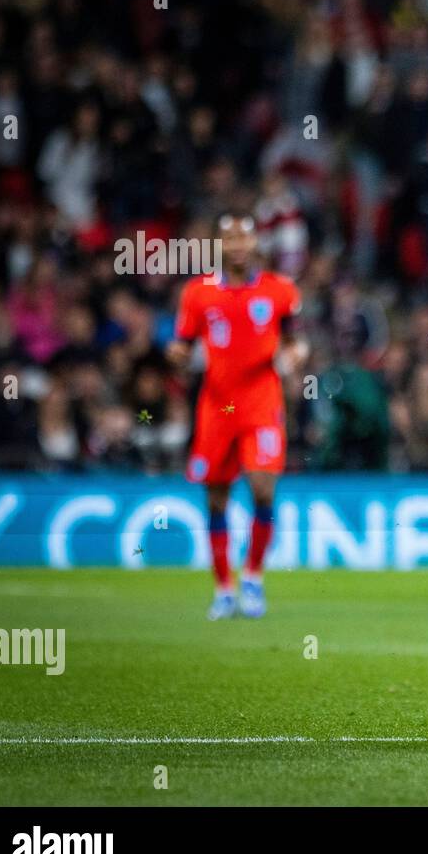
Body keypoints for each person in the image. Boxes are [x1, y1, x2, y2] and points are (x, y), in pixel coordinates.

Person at [168, 214, 307, 620]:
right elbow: (182, 345)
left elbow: (297, 340)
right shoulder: (197, 293)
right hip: (217, 405)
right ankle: (223, 588)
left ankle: (253, 578)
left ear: (256, 243)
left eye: (244, 237)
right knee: (216, 499)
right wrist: (175, 356)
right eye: (229, 238)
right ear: (220, 245)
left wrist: (296, 355)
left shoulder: (280, 290)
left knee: (263, 489)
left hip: (261, 401)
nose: (238, 245)